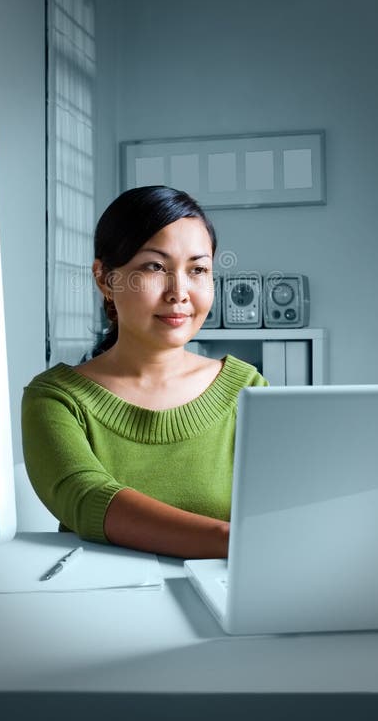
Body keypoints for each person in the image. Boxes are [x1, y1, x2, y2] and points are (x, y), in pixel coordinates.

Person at [22, 185, 267, 558]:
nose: (179, 292)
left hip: (230, 603)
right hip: (94, 607)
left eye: (198, 269)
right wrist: (232, 540)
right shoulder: (56, 398)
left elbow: (282, 507)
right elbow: (90, 500)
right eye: (155, 267)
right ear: (106, 279)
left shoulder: (248, 388)